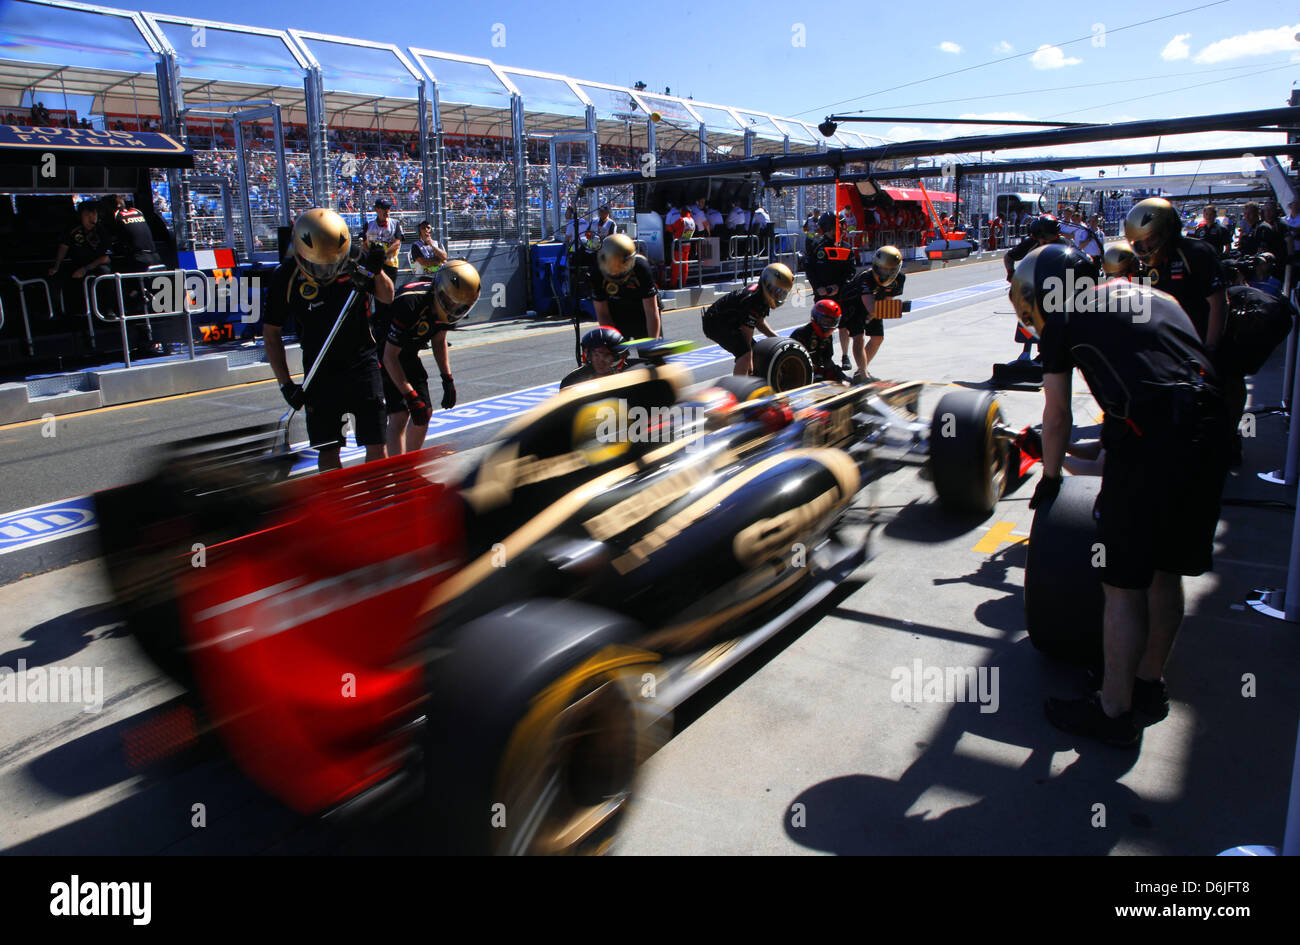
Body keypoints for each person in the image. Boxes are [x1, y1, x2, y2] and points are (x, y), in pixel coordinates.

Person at [1013, 244, 1229, 748]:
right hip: (1209, 434)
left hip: (1153, 440)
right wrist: (1078, 456)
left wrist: (1048, 477)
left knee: (1121, 586)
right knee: (1164, 570)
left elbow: (1058, 417)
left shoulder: (1066, 321)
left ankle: (1113, 711)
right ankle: (1148, 685)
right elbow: (1167, 383)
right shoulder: (1156, 299)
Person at [263, 207, 393, 472]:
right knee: (328, 449)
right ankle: (339, 505)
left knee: (377, 444)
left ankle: (378, 502)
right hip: (319, 371)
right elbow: (271, 334)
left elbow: (387, 296)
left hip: (362, 365)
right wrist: (286, 385)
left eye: (333, 263)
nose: (327, 270)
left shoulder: (356, 259)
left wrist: (376, 270)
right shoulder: (285, 276)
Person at [380, 259, 481, 454]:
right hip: (385, 351)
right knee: (399, 415)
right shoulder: (410, 302)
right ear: (440, 291)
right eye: (451, 301)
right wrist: (409, 394)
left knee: (423, 413)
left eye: (460, 305)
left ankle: (410, 465)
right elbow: (389, 356)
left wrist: (447, 378)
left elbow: (439, 339)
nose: (454, 307)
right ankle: (398, 472)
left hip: (409, 354)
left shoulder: (449, 311)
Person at [1124, 197, 1226, 348]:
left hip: (1195, 343)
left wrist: (1210, 348)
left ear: (1165, 231)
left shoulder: (1196, 253)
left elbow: (1218, 302)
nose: (1145, 246)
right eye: (1140, 241)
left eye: (1150, 238)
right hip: (1166, 343)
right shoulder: (1152, 263)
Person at [701, 262, 792, 375]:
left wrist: (778, 339)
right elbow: (746, 333)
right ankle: (740, 388)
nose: (778, 295)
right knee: (745, 354)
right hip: (716, 323)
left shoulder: (761, 296)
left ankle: (751, 379)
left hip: (728, 321)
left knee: (755, 351)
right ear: (767, 283)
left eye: (782, 293)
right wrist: (748, 360)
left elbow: (759, 322)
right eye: (776, 290)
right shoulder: (754, 300)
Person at [1004, 214, 1069, 359]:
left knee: (1054, 323)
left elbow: (1079, 261)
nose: (1043, 240)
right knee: (1030, 317)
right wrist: (1011, 273)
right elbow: (1009, 257)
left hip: (1057, 291)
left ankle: (1047, 352)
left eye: (1047, 236)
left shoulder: (1065, 245)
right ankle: (1027, 353)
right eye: (1040, 237)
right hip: (1034, 288)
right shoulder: (1030, 243)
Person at [841, 245, 904, 382]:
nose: (884, 272)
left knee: (877, 338)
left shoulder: (899, 279)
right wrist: (895, 308)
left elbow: (887, 301)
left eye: (889, 269)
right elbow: (871, 308)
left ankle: (860, 371)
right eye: (882, 268)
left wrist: (882, 311)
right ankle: (863, 374)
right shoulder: (866, 278)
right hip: (853, 302)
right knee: (859, 337)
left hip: (876, 303)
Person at [804, 212, 856, 368]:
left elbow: (851, 271)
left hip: (840, 292)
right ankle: (823, 356)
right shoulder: (816, 245)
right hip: (822, 294)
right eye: (836, 227)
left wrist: (839, 286)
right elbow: (809, 269)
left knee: (843, 326)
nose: (839, 229)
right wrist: (817, 287)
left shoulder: (846, 247)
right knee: (821, 326)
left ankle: (845, 356)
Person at [48, 200, 111, 319]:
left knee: (105, 273)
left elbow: (104, 257)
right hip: (78, 263)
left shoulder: (102, 231)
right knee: (59, 276)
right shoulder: (73, 229)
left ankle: (107, 309)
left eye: (93, 214)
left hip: (97, 265)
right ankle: (65, 313)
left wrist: (85, 269)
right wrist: (56, 266)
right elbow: (63, 247)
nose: (91, 218)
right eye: (87, 215)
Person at [591, 233, 661, 340]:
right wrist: (613, 342)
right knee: (614, 352)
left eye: (619, 271)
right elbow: (602, 313)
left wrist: (653, 343)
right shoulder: (597, 271)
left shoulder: (640, 267)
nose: (615, 275)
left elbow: (651, 311)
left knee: (650, 351)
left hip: (642, 311)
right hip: (615, 311)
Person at [790, 299, 849, 383]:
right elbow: (792, 362)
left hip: (815, 371)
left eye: (831, 322)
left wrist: (839, 374)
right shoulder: (801, 334)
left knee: (835, 376)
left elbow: (827, 360)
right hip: (796, 371)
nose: (827, 325)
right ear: (816, 317)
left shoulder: (828, 337)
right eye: (825, 321)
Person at [560, 326, 630, 389]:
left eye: (606, 355)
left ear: (616, 357)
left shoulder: (631, 377)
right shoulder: (573, 382)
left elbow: (624, 402)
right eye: (596, 355)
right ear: (589, 356)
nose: (600, 361)